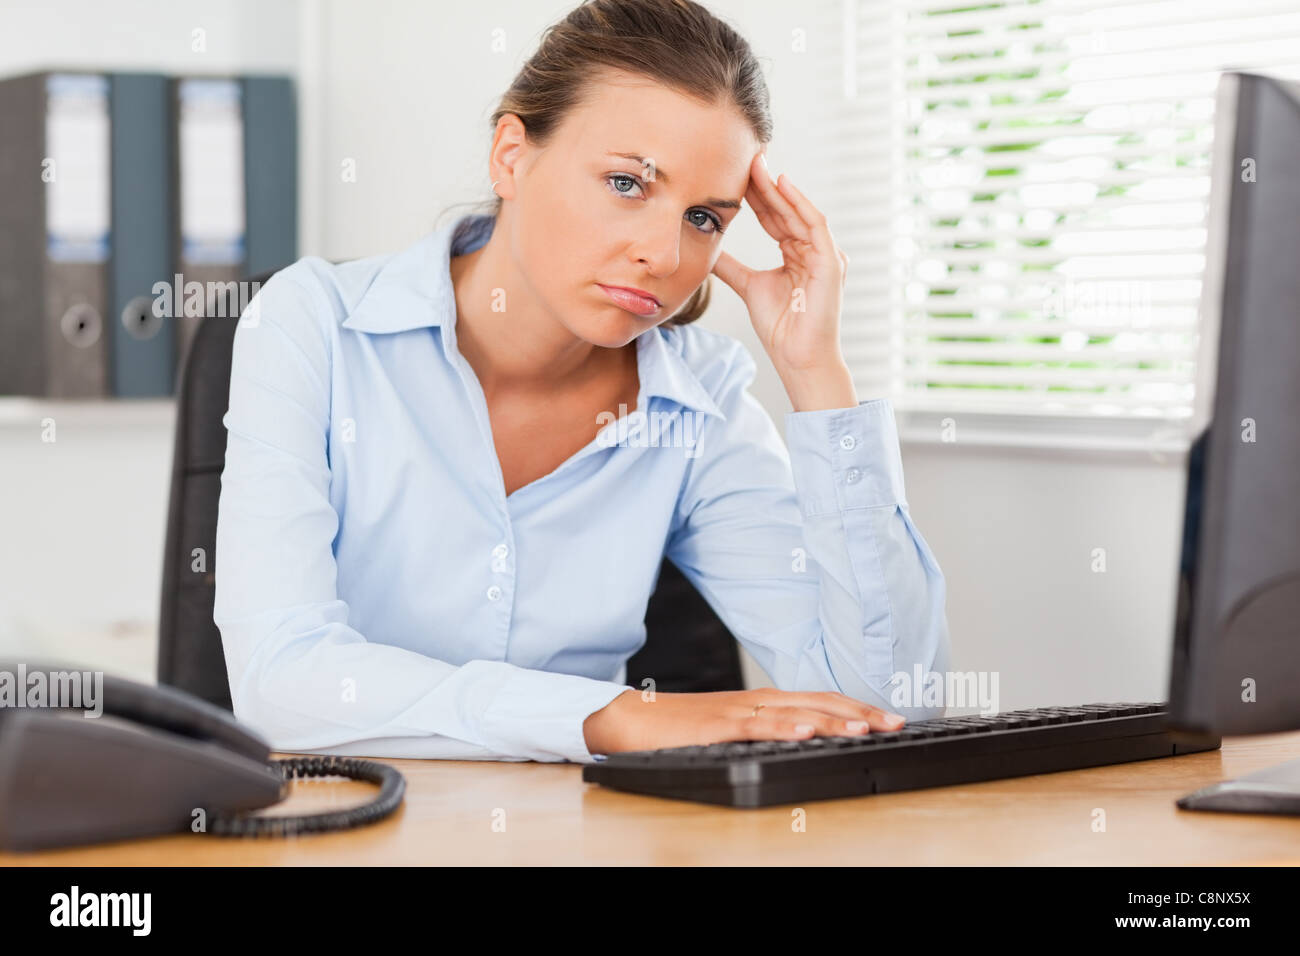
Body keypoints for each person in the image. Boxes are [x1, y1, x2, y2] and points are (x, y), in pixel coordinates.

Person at [213, 0, 950, 764]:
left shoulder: (701, 399)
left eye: (703, 217)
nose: (664, 254)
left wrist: (815, 372)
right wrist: (608, 716)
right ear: (511, 155)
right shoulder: (314, 327)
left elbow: (890, 710)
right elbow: (281, 682)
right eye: (628, 184)